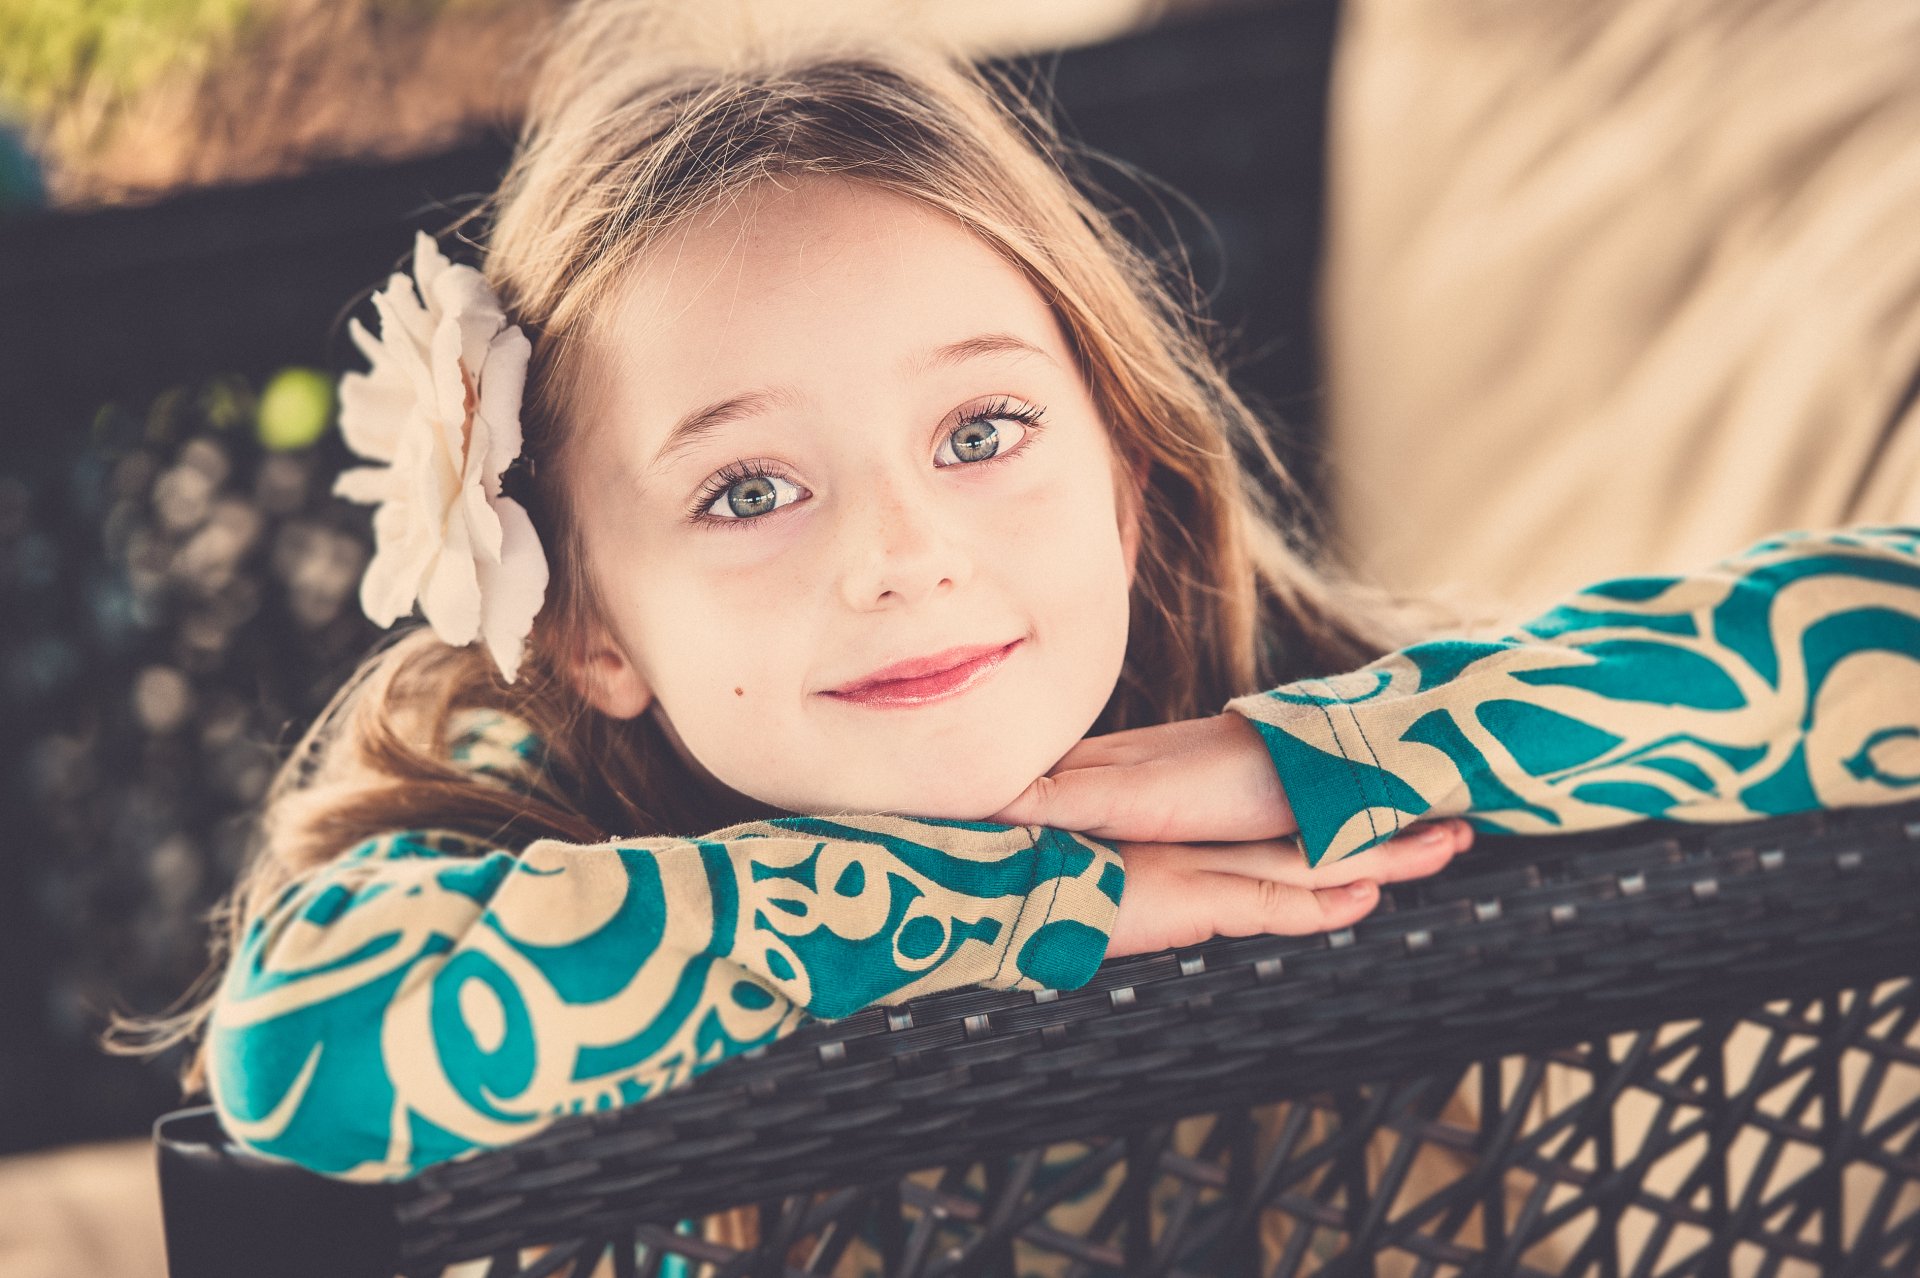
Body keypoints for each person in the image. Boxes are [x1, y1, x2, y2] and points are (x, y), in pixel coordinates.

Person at [114, 3, 1920, 1272]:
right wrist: (1023, 894)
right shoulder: (543, 805)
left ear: (1128, 477)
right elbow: (307, 1048)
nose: (904, 553)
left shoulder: (1285, 725)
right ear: (592, 628)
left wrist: (1345, 754)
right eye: (748, 488)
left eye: (982, 434)